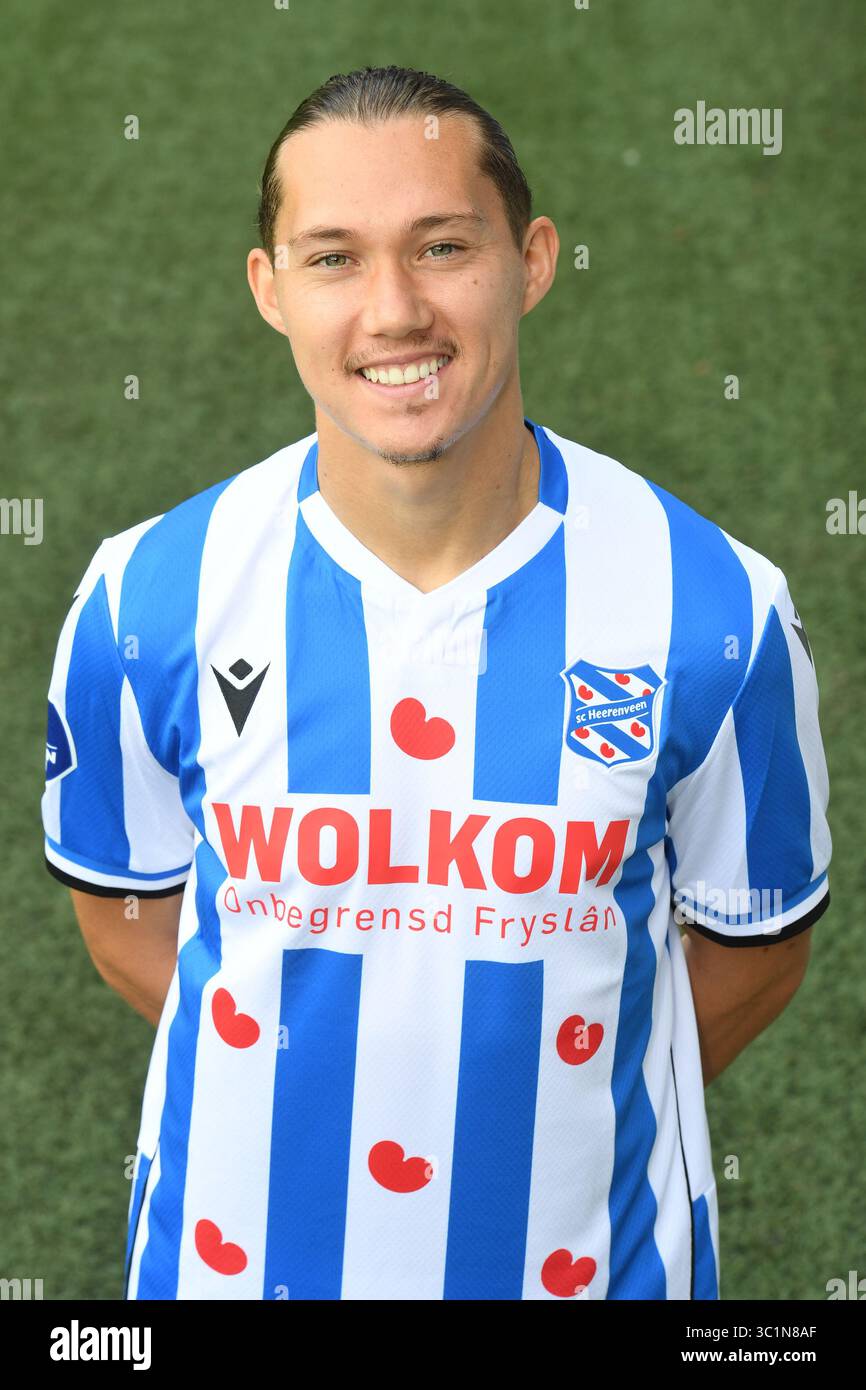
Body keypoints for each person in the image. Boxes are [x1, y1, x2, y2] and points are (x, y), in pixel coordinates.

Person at [41, 65, 831, 1301]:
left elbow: (754, 945)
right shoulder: (147, 598)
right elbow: (126, 912)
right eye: (333, 258)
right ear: (270, 290)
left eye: (442, 246)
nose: (394, 309)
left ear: (532, 260)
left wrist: (544, 1090)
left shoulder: (713, 609)